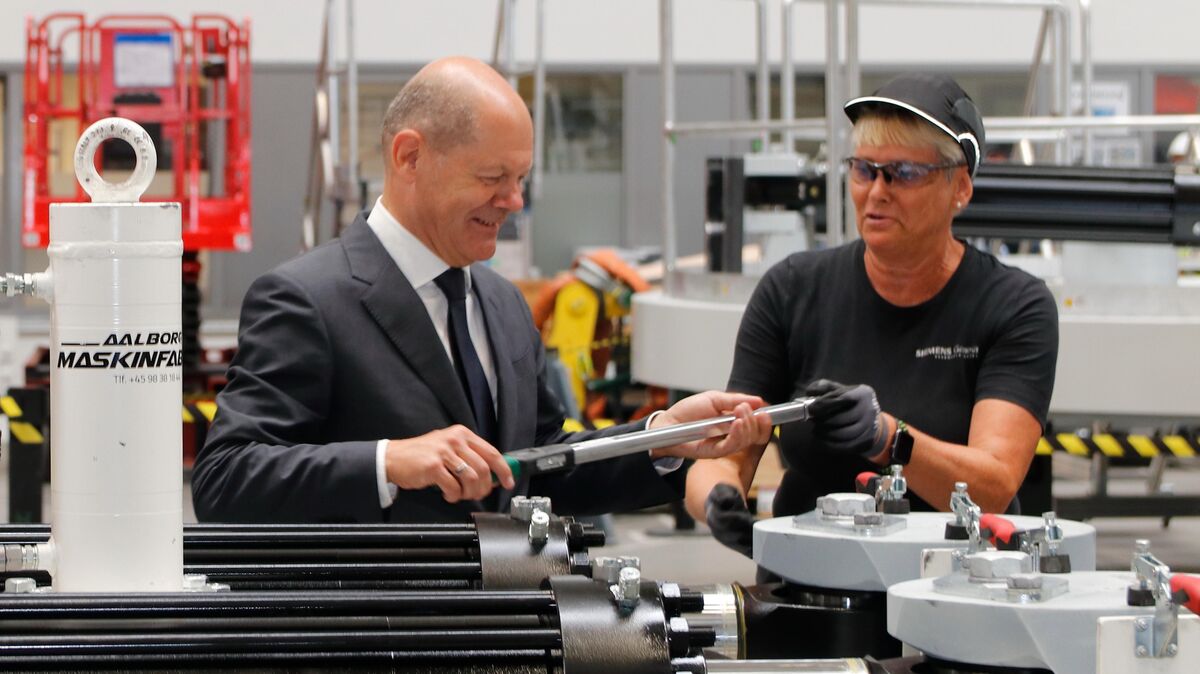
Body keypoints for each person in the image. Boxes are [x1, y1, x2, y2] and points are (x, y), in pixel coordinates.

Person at [193, 57, 773, 524]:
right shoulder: (306, 300)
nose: (514, 202)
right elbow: (226, 479)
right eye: (493, 178)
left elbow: (539, 462)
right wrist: (388, 462)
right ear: (410, 157)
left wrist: (663, 437)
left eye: (520, 179)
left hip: (494, 626)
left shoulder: (500, 303)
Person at [685, 73, 1059, 557]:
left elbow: (992, 485)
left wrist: (889, 439)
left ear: (960, 187)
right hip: (811, 583)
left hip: (952, 588)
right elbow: (728, 453)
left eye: (903, 173)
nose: (877, 191)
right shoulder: (793, 290)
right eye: (864, 169)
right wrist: (718, 502)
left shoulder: (1013, 305)